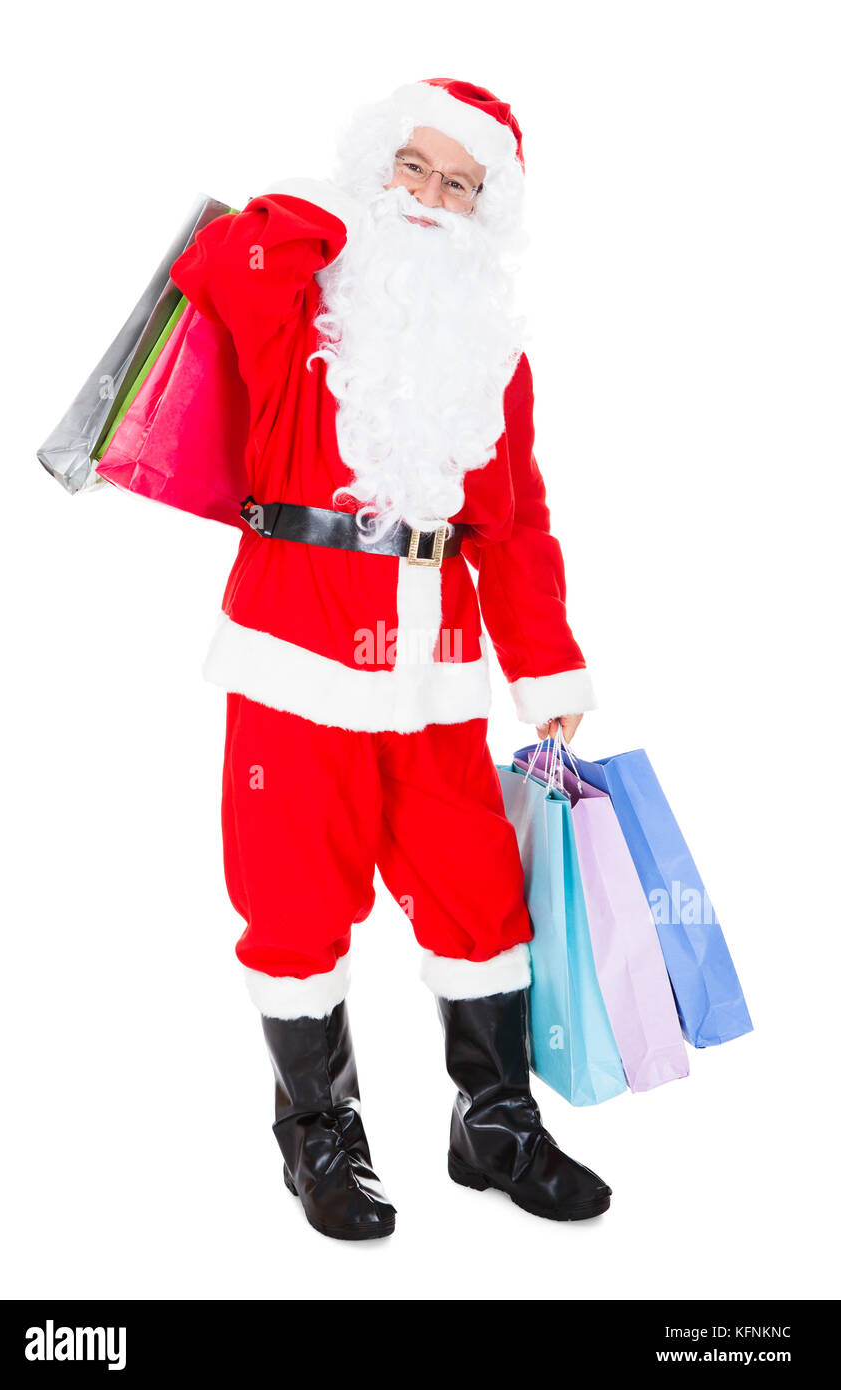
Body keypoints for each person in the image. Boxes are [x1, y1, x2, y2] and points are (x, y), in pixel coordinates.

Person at [170, 77, 612, 1241]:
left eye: (459, 185)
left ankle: (495, 1123)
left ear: (485, 215)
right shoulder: (302, 300)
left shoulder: (490, 361)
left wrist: (547, 671)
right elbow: (214, 268)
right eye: (411, 168)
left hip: (435, 664)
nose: (430, 198)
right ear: (375, 170)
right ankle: (319, 1135)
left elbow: (513, 528)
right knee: (293, 896)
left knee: (476, 888)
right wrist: (328, 205)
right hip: (292, 648)